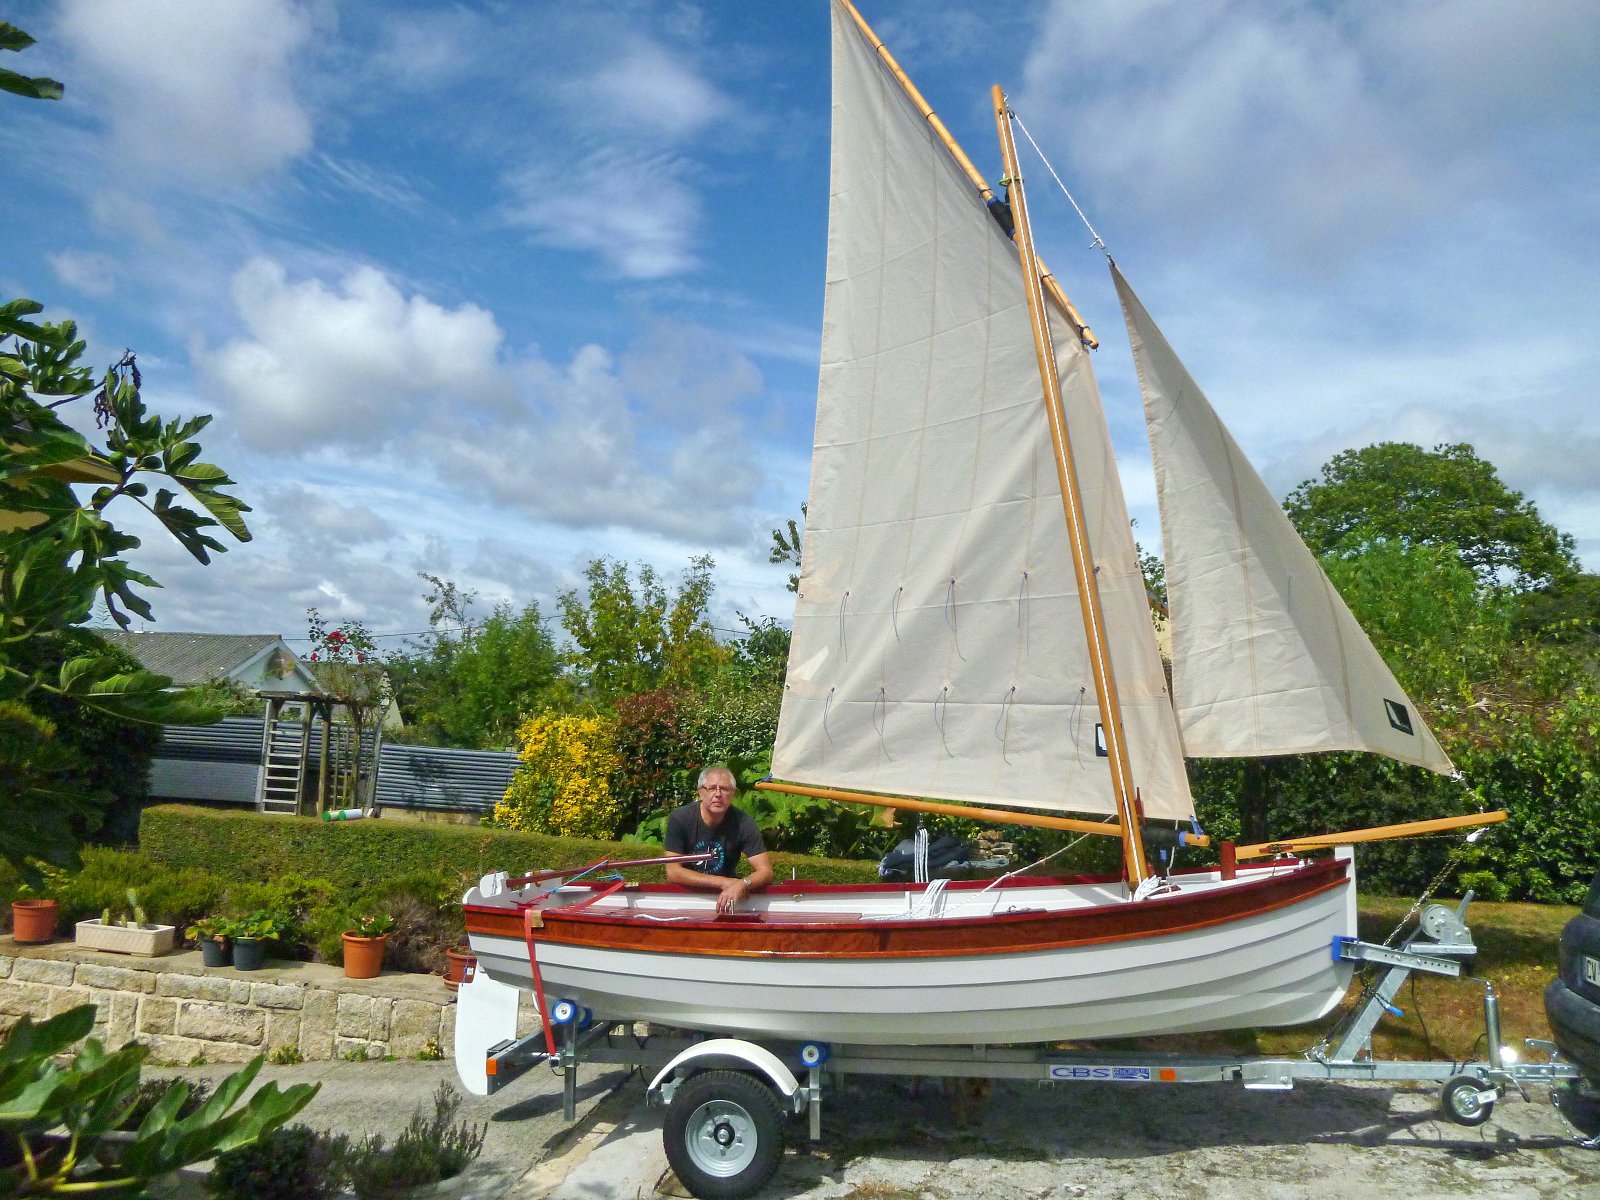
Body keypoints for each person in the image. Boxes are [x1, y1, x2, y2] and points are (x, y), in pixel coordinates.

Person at [665, 765, 773, 913]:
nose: (718, 794)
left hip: (727, 899)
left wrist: (743, 884)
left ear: (732, 794)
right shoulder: (680, 818)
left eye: (724, 789)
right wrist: (723, 882)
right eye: (712, 788)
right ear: (700, 792)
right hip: (686, 899)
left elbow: (766, 872)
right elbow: (673, 872)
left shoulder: (744, 822)